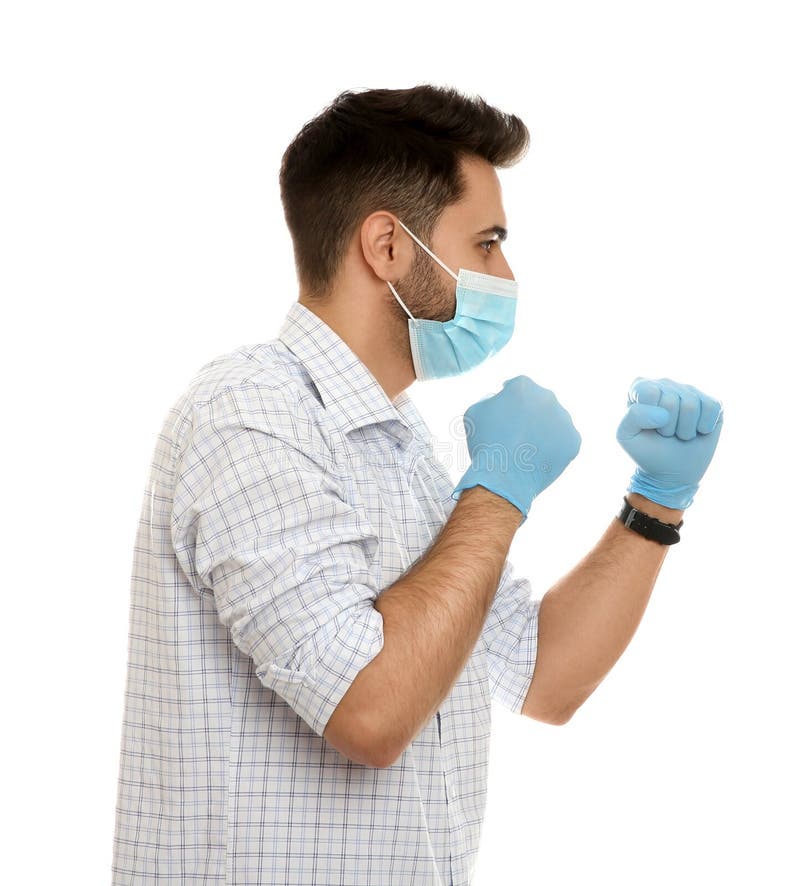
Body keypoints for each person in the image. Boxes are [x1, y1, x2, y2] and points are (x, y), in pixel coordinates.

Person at [111, 85, 723, 885]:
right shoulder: (251, 414)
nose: (507, 274)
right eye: (488, 242)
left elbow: (544, 678)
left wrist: (655, 503)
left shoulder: (403, 446)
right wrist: (498, 492)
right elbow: (368, 710)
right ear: (388, 248)